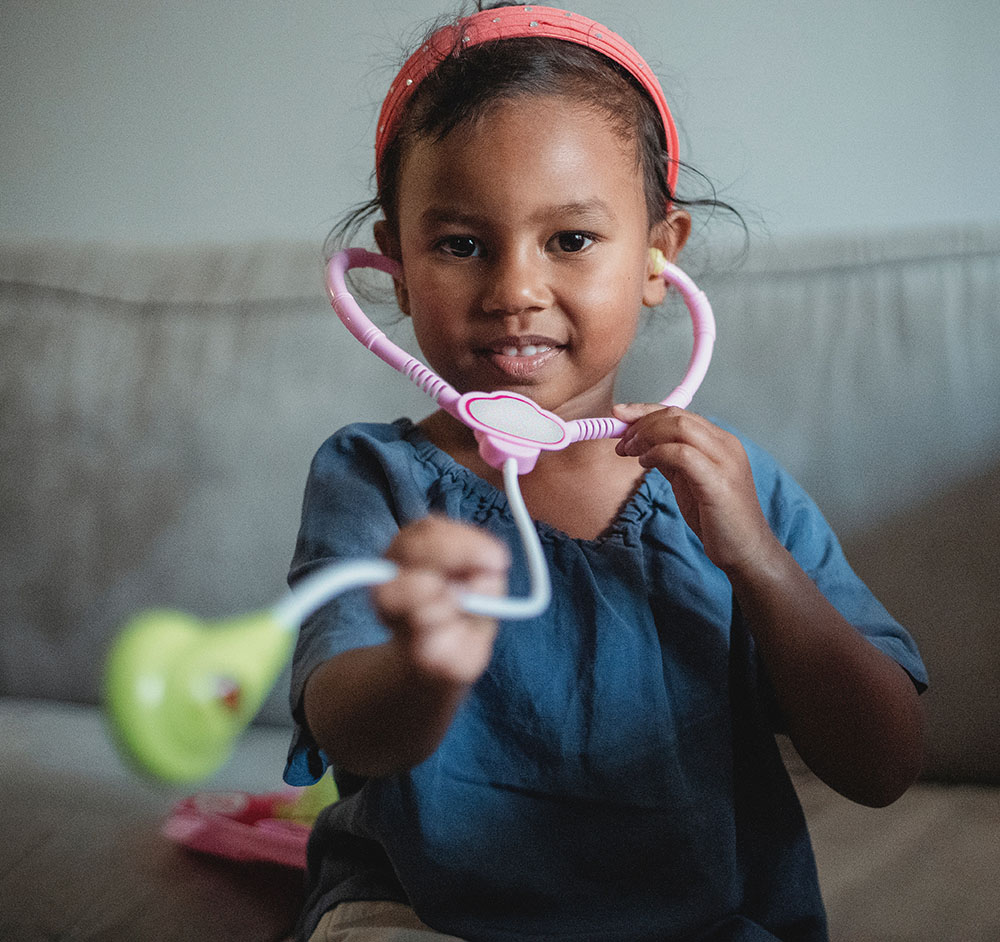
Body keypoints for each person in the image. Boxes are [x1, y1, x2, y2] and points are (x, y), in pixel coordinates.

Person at [283, 4, 928, 940]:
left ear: (660, 259)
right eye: (460, 244)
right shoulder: (371, 478)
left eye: (571, 240)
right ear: (397, 267)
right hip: (421, 910)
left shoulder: (731, 490)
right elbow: (348, 727)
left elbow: (884, 766)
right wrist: (423, 666)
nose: (515, 291)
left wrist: (758, 562)